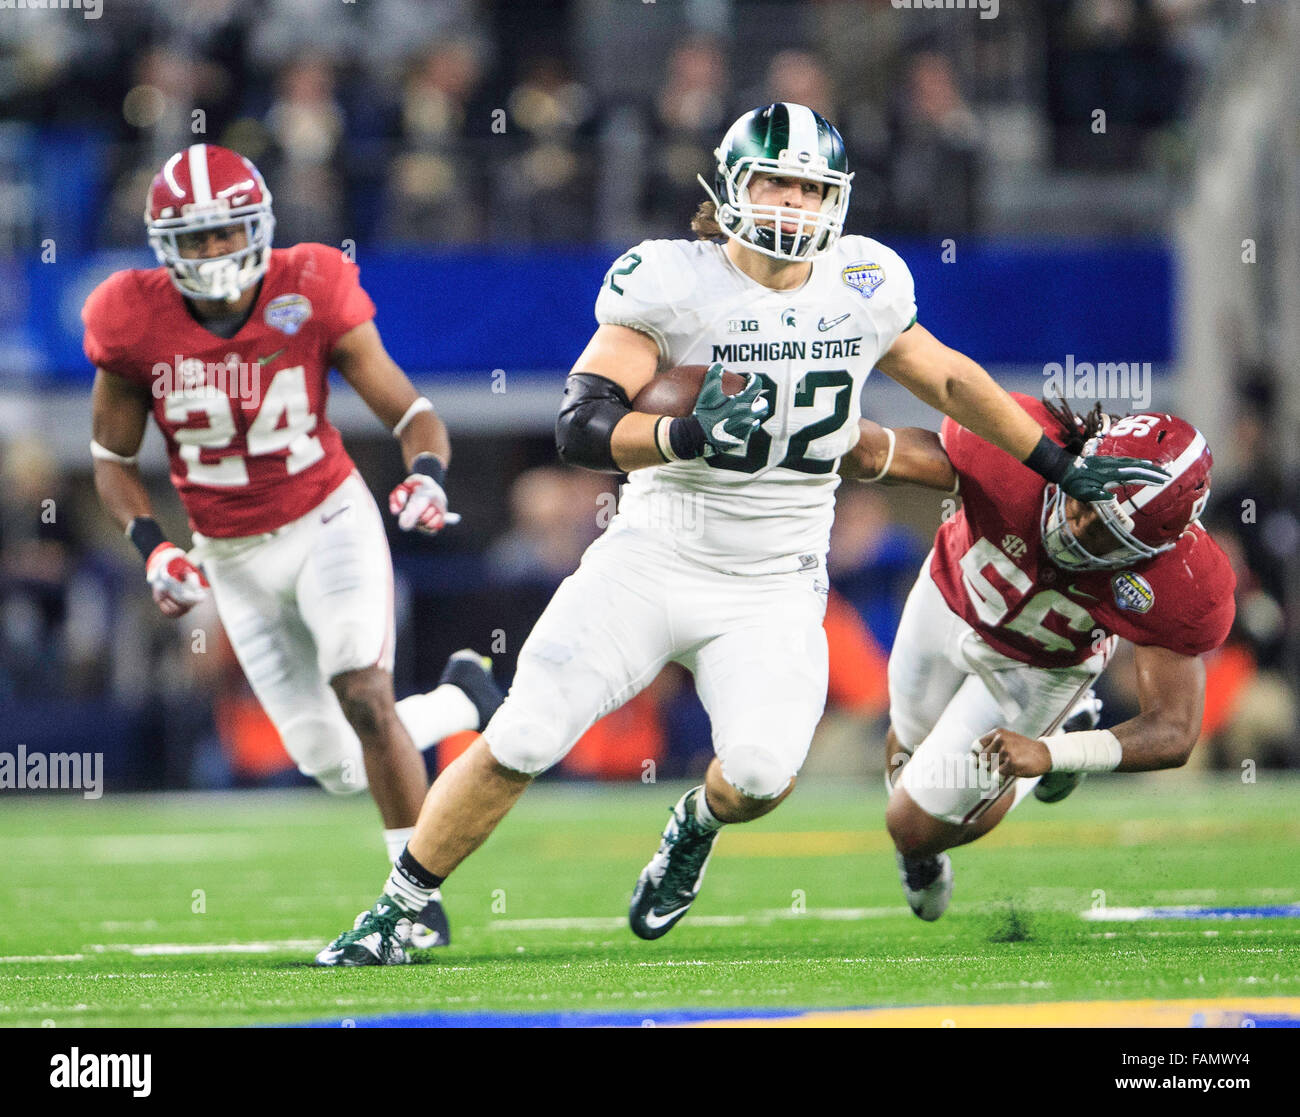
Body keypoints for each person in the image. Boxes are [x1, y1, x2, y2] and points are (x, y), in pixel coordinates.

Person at [315, 102, 1166, 965]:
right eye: (774, 183)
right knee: (528, 731)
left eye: (809, 188)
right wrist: (683, 435)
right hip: (652, 557)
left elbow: (949, 380)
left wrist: (1058, 466)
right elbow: (581, 423)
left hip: (774, 581)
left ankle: (694, 822)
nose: (793, 206)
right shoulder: (672, 278)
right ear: (729, 187)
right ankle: (399, 908)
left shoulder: (865, 282)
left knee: (759, 773)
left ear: (834, 199)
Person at [85, 143, 503, 948]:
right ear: (164, 243)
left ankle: (411, 901)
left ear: (261, 227)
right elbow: (111, 463)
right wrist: (152, 548)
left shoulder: (308, 285)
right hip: (230, 555)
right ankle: (460, 702)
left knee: (362, 689)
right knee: (332, 765)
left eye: (226, 233)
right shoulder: (130, 316)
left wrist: (428, 476)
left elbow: (414, 413)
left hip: (326, 522)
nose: (212, 252)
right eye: (195, 237)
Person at [838, 395, 1234, 920]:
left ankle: (1050, 744)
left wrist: (1049, 756)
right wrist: (839, 439)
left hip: (1041, 664)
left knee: (909, 827)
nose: (1077, 524)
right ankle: (1054, 736)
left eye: (1104, 531)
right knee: (905, 750)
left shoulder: (1182, 582)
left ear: (1156, 547)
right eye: (1084, 498)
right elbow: (899, 454)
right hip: (950, 594)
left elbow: (1175, 730)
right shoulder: (1022, 444)